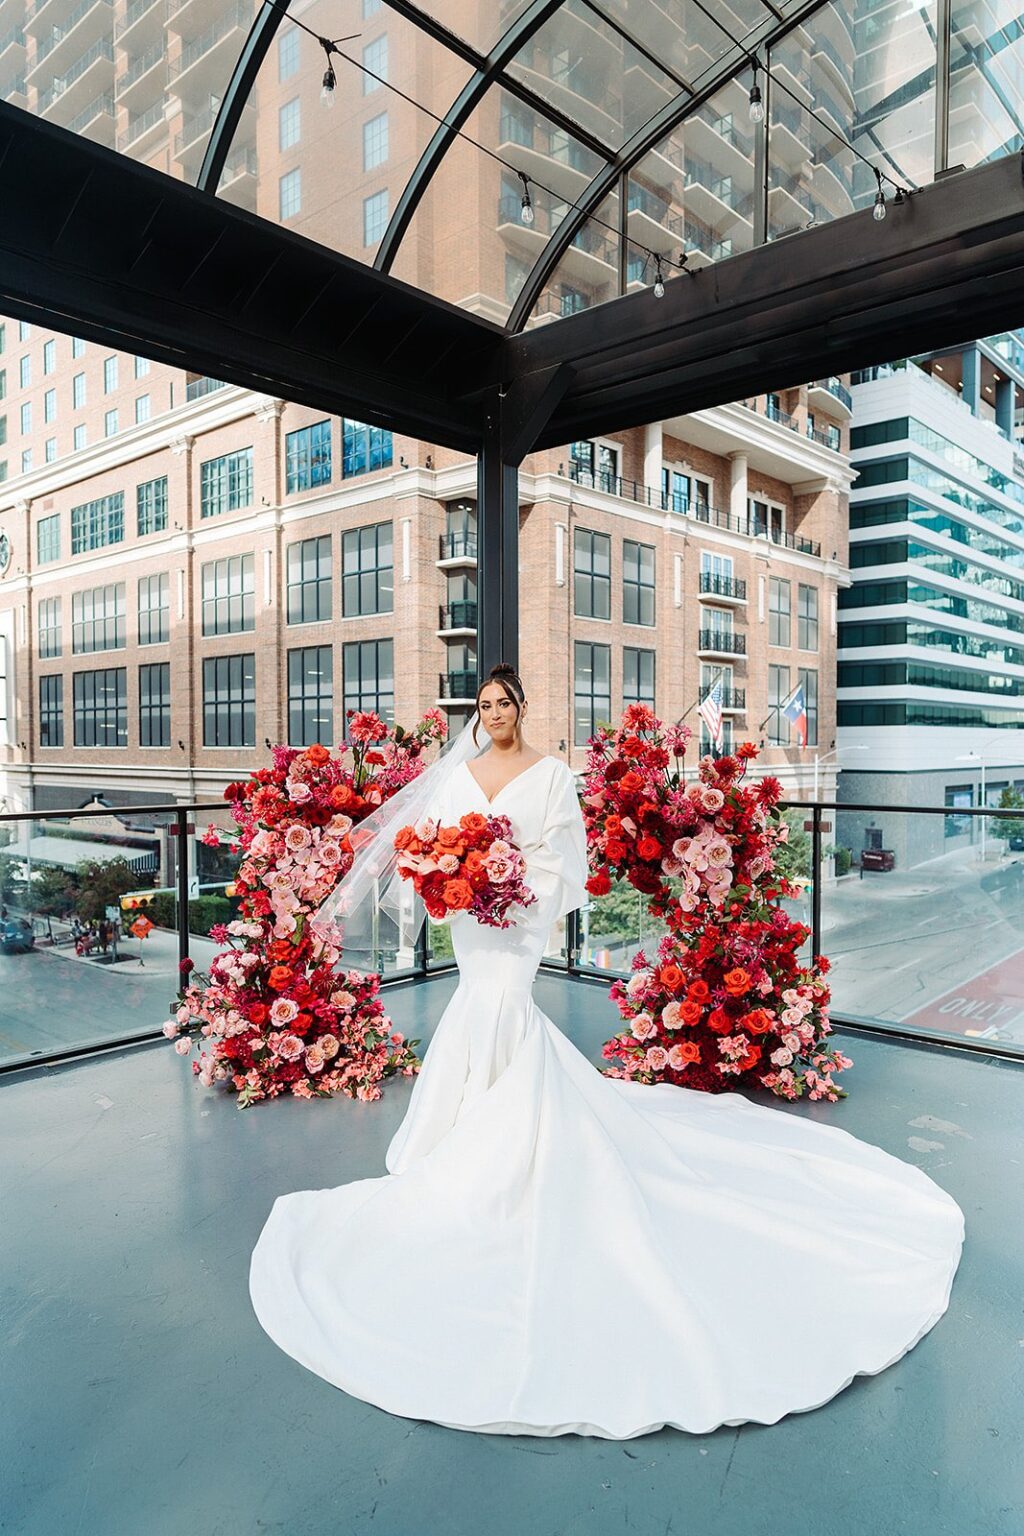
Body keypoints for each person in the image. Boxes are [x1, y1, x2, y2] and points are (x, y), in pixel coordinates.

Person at [249, 664, 965, 1439]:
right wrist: (449, 875)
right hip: (469, 916)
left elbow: (568, 855)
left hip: (517, 918)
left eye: (503, 702)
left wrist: (518, 881)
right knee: (475, 1002)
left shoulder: (552, 774)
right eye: (483, 705)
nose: (492, 713)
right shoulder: (458, 774)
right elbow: (424, 846)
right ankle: (466, 1129)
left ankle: (501, 1137)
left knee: (505, 1004)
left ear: (522, 705)